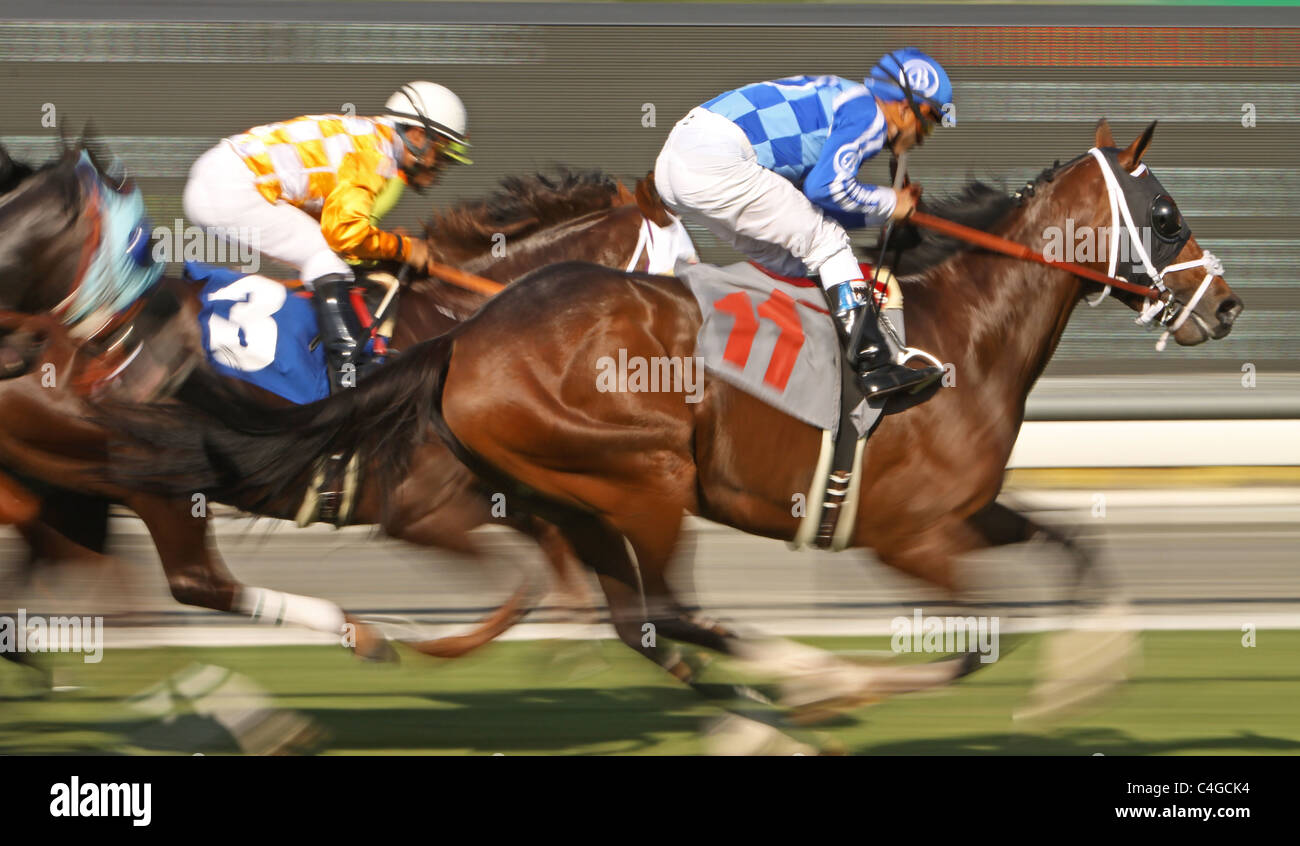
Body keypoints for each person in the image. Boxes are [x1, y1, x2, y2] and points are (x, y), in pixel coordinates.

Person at [654, 49, 954, 398]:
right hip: (714, 159)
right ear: (904, 108)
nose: (922, 136)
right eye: (928, 122)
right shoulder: (870, 115)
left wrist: (884, 211)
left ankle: (786, 361)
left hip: (678, 163)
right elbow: (825, 187)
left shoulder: (846, 101)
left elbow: (814, 203)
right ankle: (876, 366)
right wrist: (890, 202)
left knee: (795, 263)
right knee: (827, 243)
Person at [183, 82, 472, 391]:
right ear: (416, 135)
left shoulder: (371, 137)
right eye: (439, 150)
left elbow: (334, 223)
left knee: (323, 255)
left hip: (222, 175)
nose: (438, 164)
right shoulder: (376, 156)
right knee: (325, 258)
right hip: (231, 188)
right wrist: (403, 248)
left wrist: (382, 244)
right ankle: (350, 371)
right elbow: (343, 234)